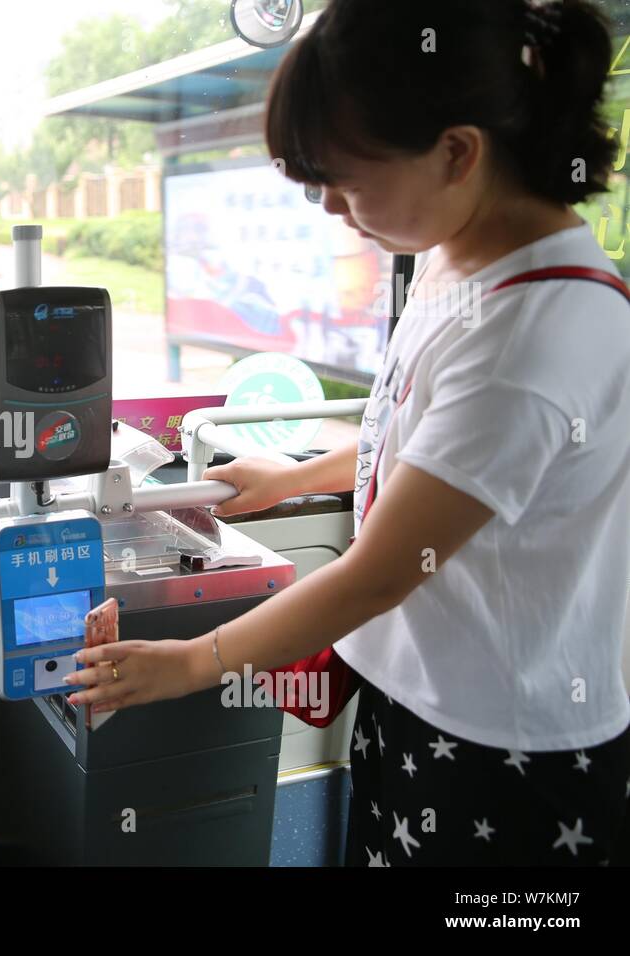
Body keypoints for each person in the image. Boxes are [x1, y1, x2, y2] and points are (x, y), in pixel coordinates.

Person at [67, 0, 630, 866]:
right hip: (421, 696)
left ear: (457, 153)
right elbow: (426, 453)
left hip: (504, 752)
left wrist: (191, 664)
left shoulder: (535, 333)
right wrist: (294, 479)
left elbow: (377, 574)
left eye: (345, 178)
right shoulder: (459, 251)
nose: (329, 202)